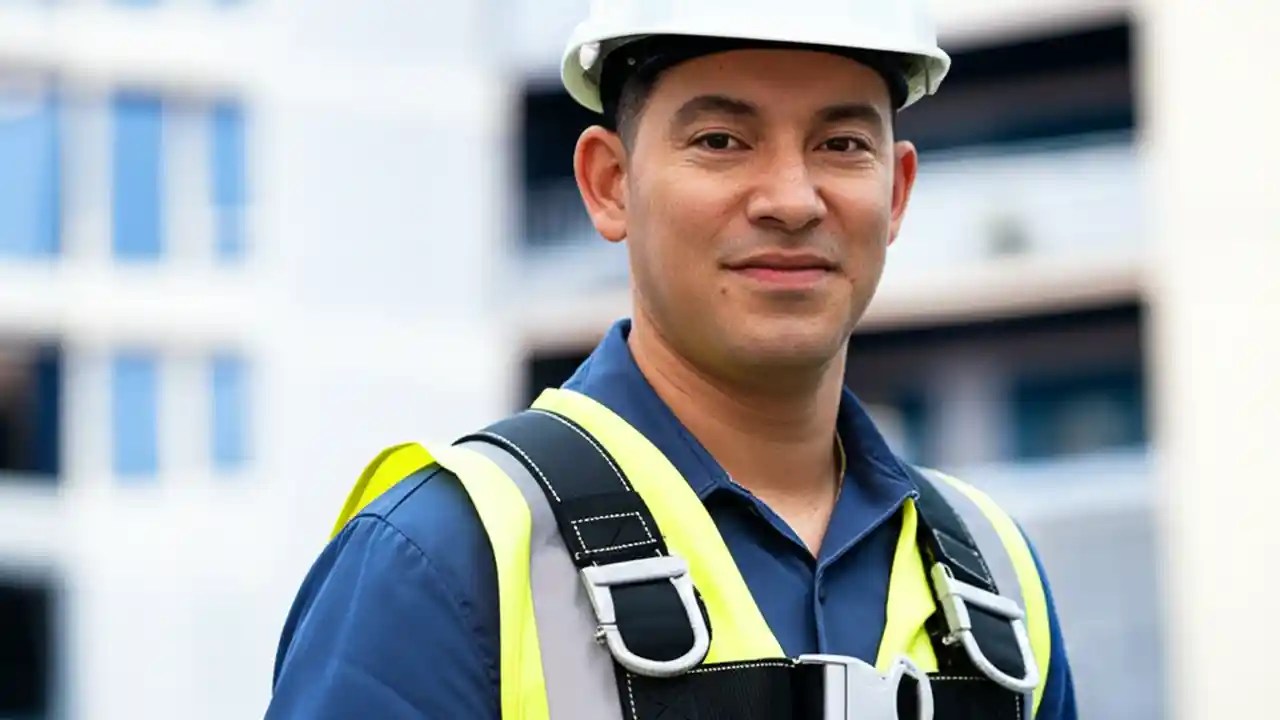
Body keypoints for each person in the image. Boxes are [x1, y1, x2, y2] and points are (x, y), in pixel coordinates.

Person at [266, 2, 1077, 718]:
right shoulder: (444, 559)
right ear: (610, 183)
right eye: (722, 141)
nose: (792, 199)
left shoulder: (995, 578)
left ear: (895, 194)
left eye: (841, 143)